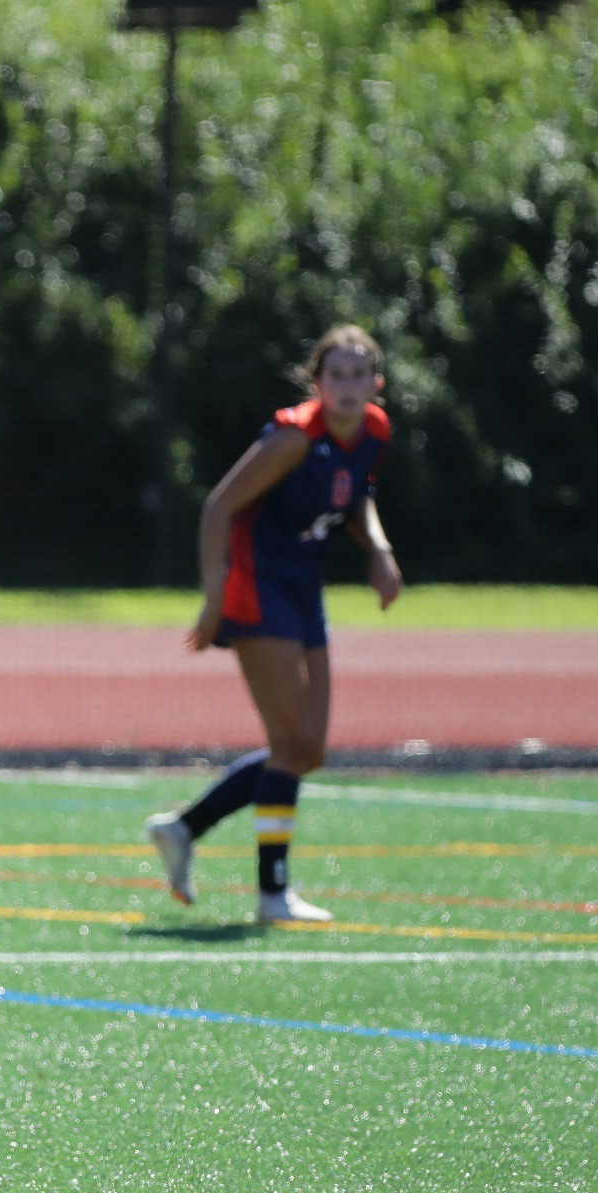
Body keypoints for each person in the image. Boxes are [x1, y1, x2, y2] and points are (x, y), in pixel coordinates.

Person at [145, 325, 403, 924]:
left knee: (307, 748)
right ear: (317, 383)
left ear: (376, 384)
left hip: (304, 590)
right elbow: (218, 506)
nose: (346, 385)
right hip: (258, 590)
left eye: (358, 375)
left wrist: (380, 550)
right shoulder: (293, 439)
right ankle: (271, 893)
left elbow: (358, 495)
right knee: (291, 742)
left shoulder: (373, 433)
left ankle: (184, 829)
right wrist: (213, 600)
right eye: (335, 375)